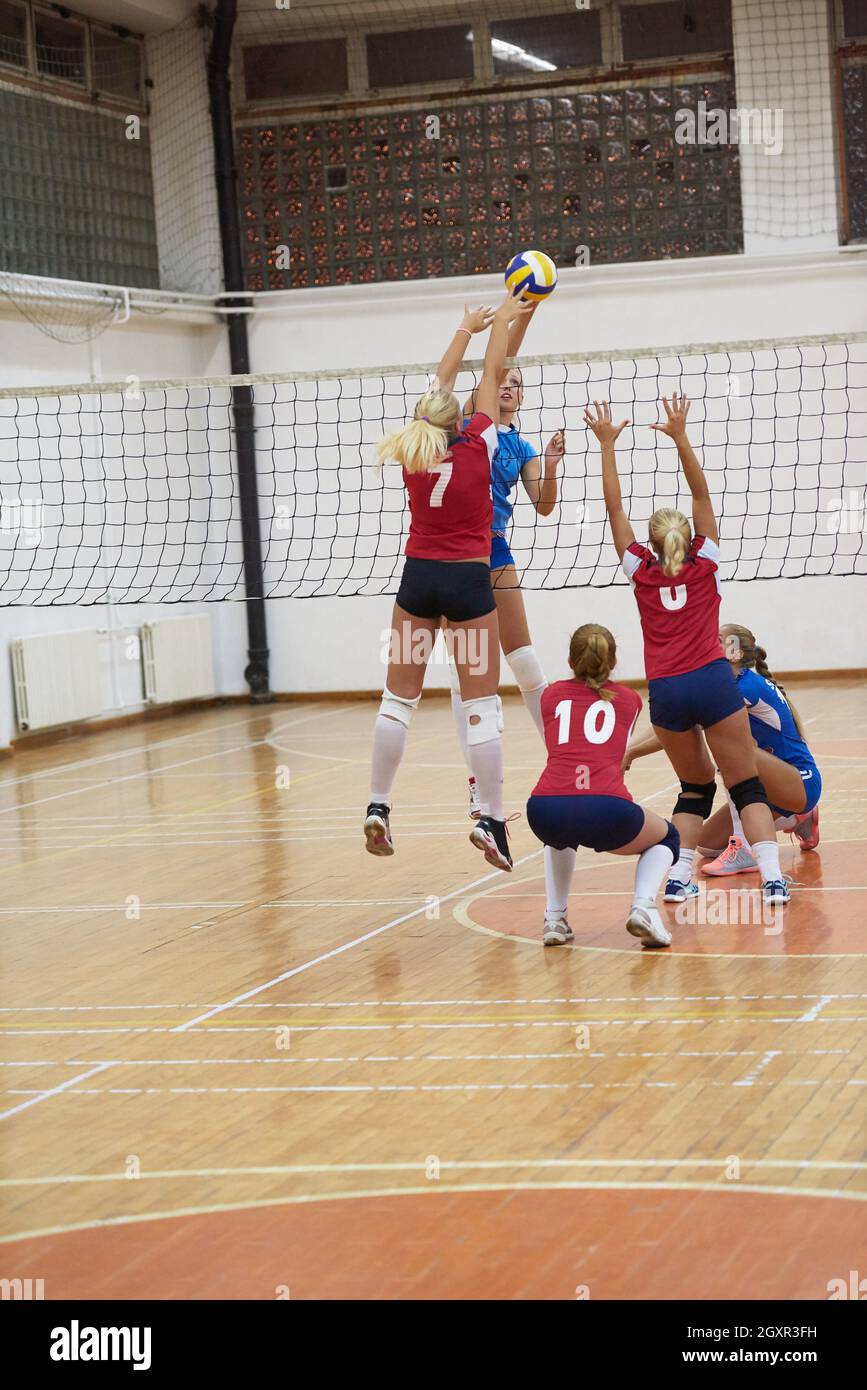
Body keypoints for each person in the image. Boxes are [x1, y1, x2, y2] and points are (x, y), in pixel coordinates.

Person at [586, 394, 789, 907]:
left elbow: (614, 509)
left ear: (653, 545)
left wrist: (607, 445)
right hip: (713, 680)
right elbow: (701, 494)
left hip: (669, 691)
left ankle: (678, 880)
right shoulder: (706, 560)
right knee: (745, 785)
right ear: (687, 538)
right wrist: (680, 437)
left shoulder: (641, 570)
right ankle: (771, 880)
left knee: (694, 787)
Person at [363, 290, 533, 872]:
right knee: (481, 703)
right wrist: (505, 323)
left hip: (417, 583)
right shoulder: (480, 441)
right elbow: (492, 372)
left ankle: (379, 805)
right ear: (462, 419)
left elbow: (444, 382)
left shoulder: (417, 448)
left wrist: (464, 328)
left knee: (397, 700)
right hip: (468, 585)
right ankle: (490, 817)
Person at [448, 303, 566, 818]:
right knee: (471, 674)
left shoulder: (521, 446)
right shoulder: (479, 423)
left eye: (518, 383)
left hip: (495, 549)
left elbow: (543, 504)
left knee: (523, 657)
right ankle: (479, 786)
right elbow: (501, 357)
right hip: (457, 552)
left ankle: (563, 761)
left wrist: (554, 466)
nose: (509, 386)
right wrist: (528, 310)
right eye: (504, 380)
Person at [526, 623, 679, 948]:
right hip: (606, 808)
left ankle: (554, 918)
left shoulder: (551, 695)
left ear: (570, 661)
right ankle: (643, 907)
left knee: (561, 834)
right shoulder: (629, 700)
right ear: (612, 662)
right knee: (669, 836)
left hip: (544, 807)